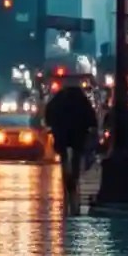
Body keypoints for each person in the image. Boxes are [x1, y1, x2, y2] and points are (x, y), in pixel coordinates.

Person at [44, 85, 97, 215]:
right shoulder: (82, 101)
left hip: (61, 133)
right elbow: (91, 118)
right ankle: (74, 177)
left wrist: (51, 125)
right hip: (78, 134)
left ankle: (67, 178)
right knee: (76, 156)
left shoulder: (57, 101)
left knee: (64, 157)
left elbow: (48, 114)